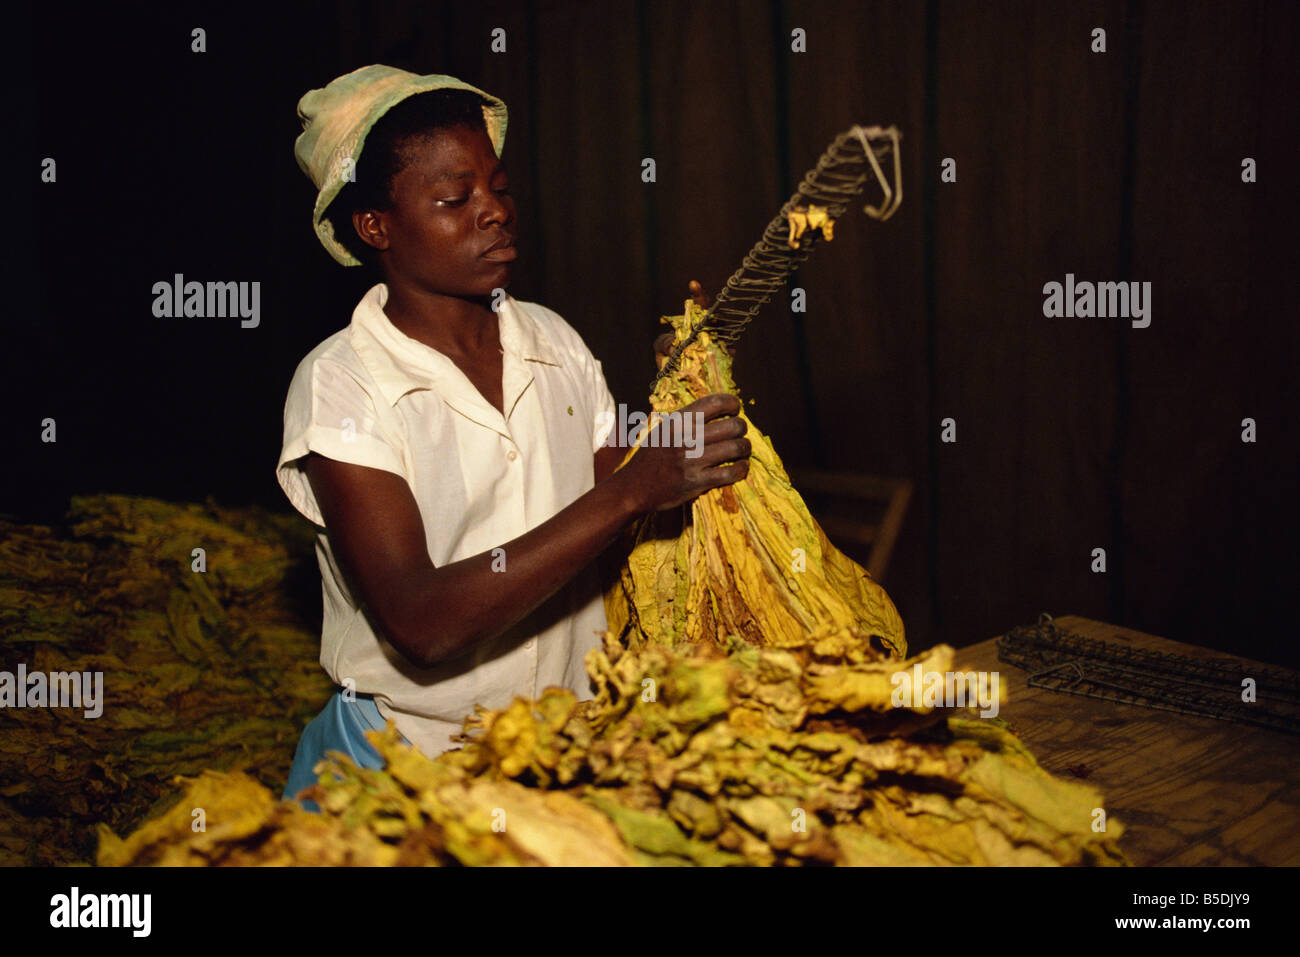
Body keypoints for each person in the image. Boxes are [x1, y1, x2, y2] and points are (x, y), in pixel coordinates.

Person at [277, 65, 751, 805]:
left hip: (562, 755)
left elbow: (615, 517)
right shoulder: (343, 384)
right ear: (376, 227)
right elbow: (420, 621)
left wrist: (680, 419)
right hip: (406, 767)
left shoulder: (555, 343)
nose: (493, 211)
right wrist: (636, 485)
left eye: (498, 188)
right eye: (454, 198)